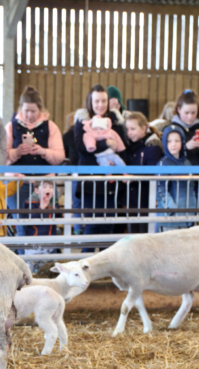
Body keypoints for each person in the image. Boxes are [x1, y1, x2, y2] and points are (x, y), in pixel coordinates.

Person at [74, 84, 127, 248]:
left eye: (104, 101)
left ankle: (106, 261)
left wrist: (110, 150)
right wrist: (106, 144)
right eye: (97, 101)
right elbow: (82, 148)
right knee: (92, 224)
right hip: (91, 181)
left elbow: (122, 145)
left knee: (108, 224)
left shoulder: (115, 121)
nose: (100, 105)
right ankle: (87, 259)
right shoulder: (83, 121)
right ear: (90, 102)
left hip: (111, 181)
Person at [4, 85, 65, 217]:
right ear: (20, 108)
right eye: (26, 110)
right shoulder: (10, 127)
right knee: (21, 222)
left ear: (40, 109)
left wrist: (43, 152)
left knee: (47, 222)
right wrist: (17, 152)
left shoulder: (51, 127)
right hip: (17, 183)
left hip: (45, 183)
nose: (29, 115)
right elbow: (3, 155)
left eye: (33, 111)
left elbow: (60, 155)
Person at [122, 111, 162, 231]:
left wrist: (133, 177)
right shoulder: (130, 147)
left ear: (144, 128)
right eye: (127, 129)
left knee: (144, 231)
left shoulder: (153, 148)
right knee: (133, 230)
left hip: (146, 198)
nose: (129, 133)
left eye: (133, 129)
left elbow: (153, 172)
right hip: (133, 198)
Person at [156, 123, 199, 229]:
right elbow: (161, 190)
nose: (173, 144)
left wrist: (193, 208)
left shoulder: (187, 163)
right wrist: (171, 209)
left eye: (177, 140)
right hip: (169, 219)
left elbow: (191, 188)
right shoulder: (162, 164)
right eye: (169, 141)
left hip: (187, 217)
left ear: (182, 142)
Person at [171, 90, 199, 166]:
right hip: (179, 173)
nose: (190, 117)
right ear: (179, 110)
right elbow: (167, 158)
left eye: (193, 113)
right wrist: (186, 147)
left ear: (197, 111)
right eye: (187, 113)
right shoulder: (170, 130)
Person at [21, 179, 59, 267]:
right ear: (36, 190)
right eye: (45, 187)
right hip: (34, 242)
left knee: (48, 265)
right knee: (31, 265)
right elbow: (30, 217)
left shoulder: (54, 204)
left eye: (51, 187)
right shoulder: (30, 202)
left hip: (50, 241)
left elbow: (58, 216)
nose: (48, 189)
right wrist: (41, 208)